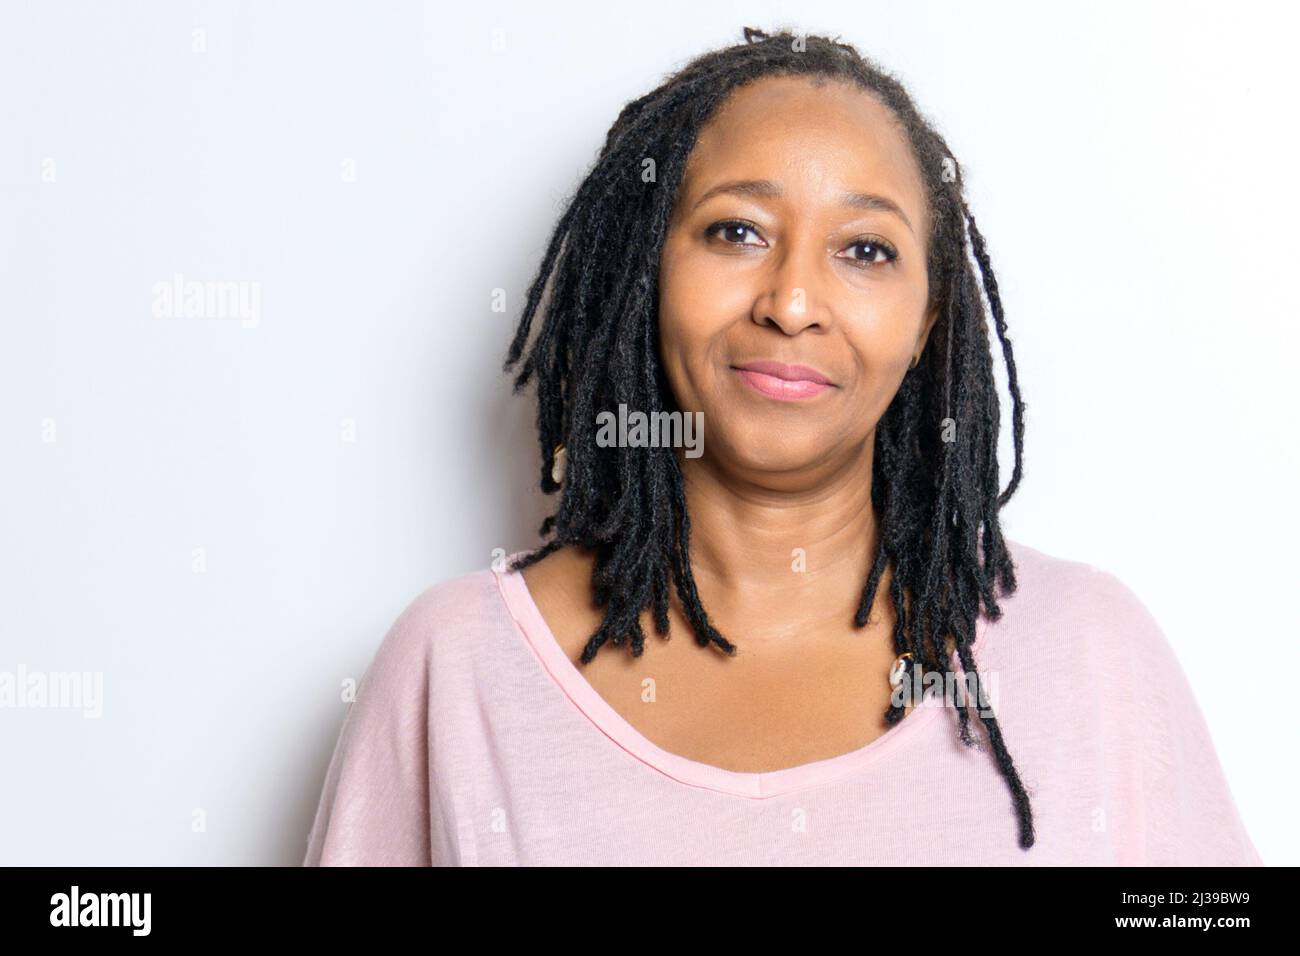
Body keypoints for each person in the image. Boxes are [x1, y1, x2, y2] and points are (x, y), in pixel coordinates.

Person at [303, 27, 1262, 866]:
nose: (793, 302)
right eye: (737, 231)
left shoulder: (1090, 655)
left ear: (929, 321)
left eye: (865, 250)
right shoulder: (458, 667)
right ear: (646, 271)